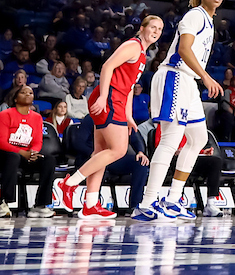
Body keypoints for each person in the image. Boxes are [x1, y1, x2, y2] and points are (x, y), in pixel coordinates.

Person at [133, 0, 224, 221]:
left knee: (198, 138)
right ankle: (148, 201)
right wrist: (206, 77)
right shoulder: (195, 15)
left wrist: (200, 78)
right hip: (175, 76)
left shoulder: (209, 20)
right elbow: (184, 50)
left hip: (189, 82)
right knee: (171, 139)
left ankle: (172, 199)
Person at [54, 15, 162, 219]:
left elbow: (129, 86)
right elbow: (107, 67)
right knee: (118, 149)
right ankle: (67, 184)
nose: (156, 31)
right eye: (153, 27)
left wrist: (129, 115)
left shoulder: (142, 53)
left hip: (118, 99)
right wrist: (103, 96)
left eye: (160, 29)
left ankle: (90, 204)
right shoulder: (133, 45)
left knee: (101, 151)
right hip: (110, 97)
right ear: (142, 28)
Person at [0, 85, 56, 217]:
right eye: (23, 92)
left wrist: (33, 152)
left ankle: (40, 205)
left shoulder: (37, 118)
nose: (27, 95)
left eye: (30, 93)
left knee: (49, 160)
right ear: (15, 98)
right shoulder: (5, 114)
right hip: (6, 156)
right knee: (13, 157)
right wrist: (22, 152)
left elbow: (37, 141)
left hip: (26, 156)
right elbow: (2, 142)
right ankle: (4, 202)